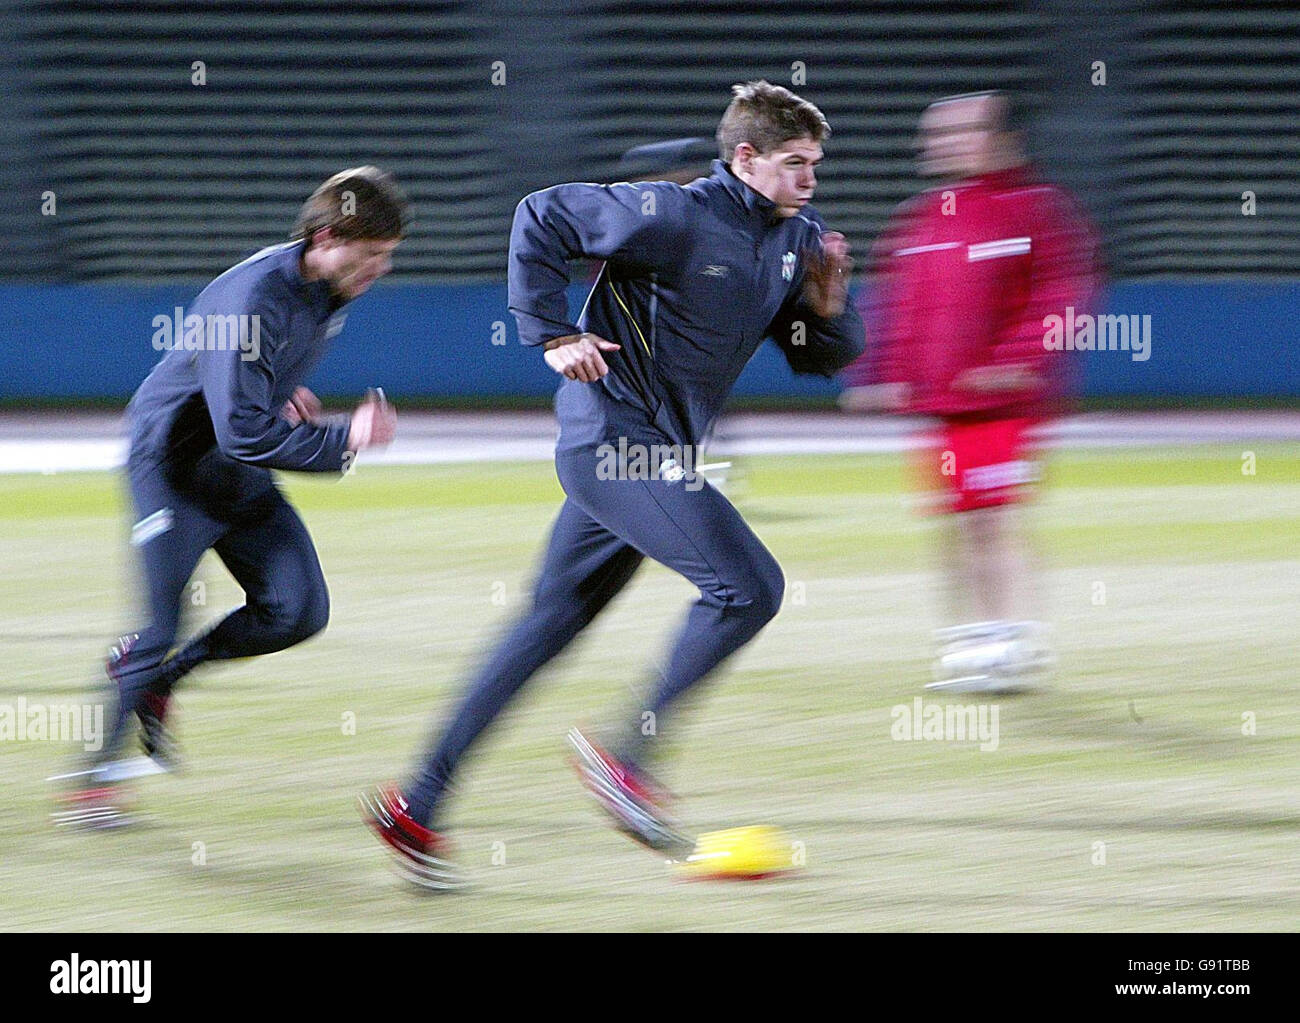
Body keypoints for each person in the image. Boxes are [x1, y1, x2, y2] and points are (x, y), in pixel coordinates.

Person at [362, 81, 864, 888]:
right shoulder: (672, 215)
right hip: (613, 446)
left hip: (648, 458)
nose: (811, 179)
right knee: (751, 587)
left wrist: (830, 309)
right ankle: (626, 753)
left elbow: (819, 356)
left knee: (544, 626)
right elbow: (541, 216)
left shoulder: (793, 236)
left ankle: (416, 802)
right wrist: (552, 332)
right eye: (794, 163)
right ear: (744, 159)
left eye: (815, 163)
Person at [55, 166, 404, 829]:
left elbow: (243, 403)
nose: (380, 269)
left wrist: (277, 393)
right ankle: (91, 784)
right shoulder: (252, 296)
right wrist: (343, 443)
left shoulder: (324, 290)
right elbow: (242, 430)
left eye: (388, 256)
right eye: (373, 254)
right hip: (172, 469)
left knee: (297, 609)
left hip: (231, 471)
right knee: (159, 625)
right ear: (327, 236)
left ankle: (162, 679)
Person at [840, 91, 1099, 693]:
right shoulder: (923, 218)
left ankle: (1010, 639)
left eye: (959, 133)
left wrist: (1018, 363)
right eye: (936, 136)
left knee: (993, 518)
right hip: (944, 408)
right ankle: (973, 639)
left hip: (1005, 406)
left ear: (1003, 139)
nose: (942, 146)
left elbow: (1061, 299)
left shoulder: (1038, 210)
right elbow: (900, 307)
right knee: (957, 521)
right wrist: (878, 374)